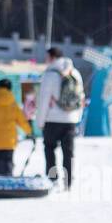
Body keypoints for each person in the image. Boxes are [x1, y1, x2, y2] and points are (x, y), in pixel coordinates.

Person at [35, 46, 84, 188]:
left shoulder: (50, 74)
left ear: (52, 57)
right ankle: (68, 182)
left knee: (49, 148)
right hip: (70, 120)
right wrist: (77, 118)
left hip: (52, 119)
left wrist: (40, 122)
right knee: (68, 152)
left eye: (47, 57)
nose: (45, 60)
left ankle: (52, 179)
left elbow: (44, 100)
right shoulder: (75, 73)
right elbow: (80, 97)